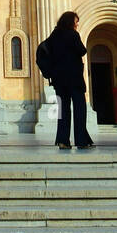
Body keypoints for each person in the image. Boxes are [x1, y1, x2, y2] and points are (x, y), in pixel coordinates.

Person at [43, 11, 94, 150]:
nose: (77, 24)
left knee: (63, 110)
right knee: (79, 108)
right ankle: (82, 141)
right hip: (74, 78)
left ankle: (63, 140)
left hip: (59, 80)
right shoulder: (72, 34)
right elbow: (82, 51)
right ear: (70, 22)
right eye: (76, 21)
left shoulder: (54, 35)